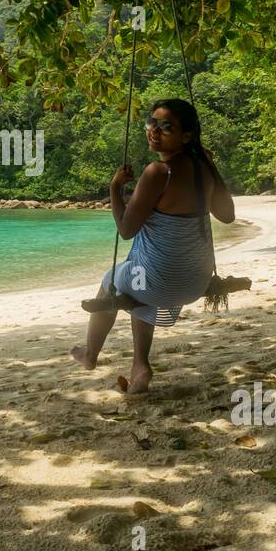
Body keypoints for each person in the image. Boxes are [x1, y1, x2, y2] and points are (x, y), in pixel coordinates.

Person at [71, 98, 235, 393]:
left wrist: (114, 189)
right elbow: (227, 215)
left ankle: (90, 354)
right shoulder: (202, 167)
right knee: (140, 278)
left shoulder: (159, 172)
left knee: (113, 280)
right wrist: (211, 165)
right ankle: (139, 367)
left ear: (186, 136)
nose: (154, 132)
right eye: (152, 123)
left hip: (161, 284)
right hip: (195, 284)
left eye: (166, 127)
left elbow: (126, 230)